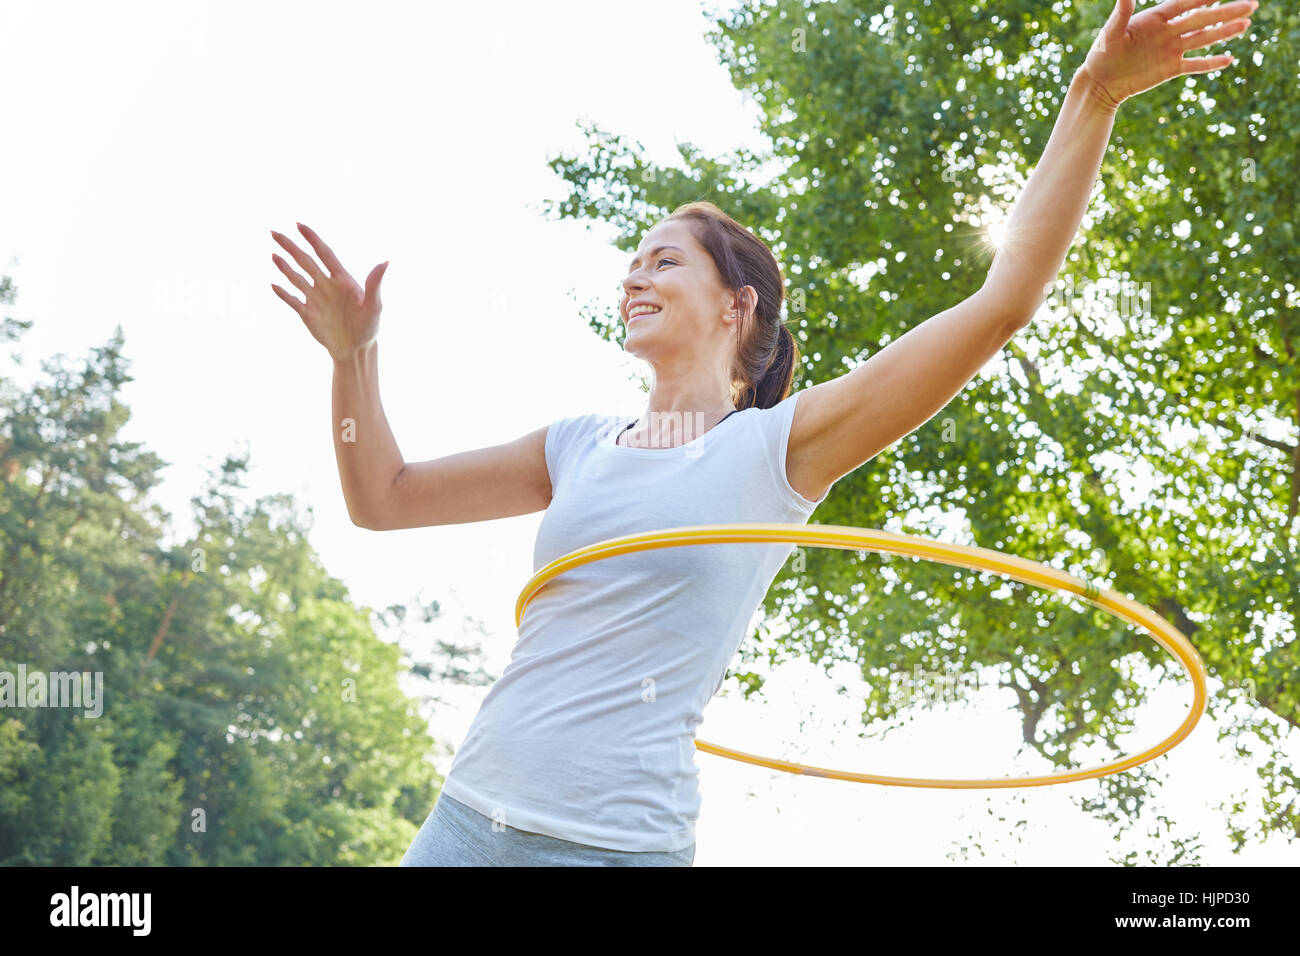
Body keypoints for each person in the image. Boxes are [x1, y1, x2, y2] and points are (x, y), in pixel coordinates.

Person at [268, 0, 1255, 865]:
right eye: (630, 266)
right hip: (466, 824)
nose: (633, 278)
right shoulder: (572, 444)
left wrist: (1093, 96)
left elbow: (999, 302)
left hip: (619, 847)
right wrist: (353, 357)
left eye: (662, 260)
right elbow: (382, 498)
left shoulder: (777, 451)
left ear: (736, 303)